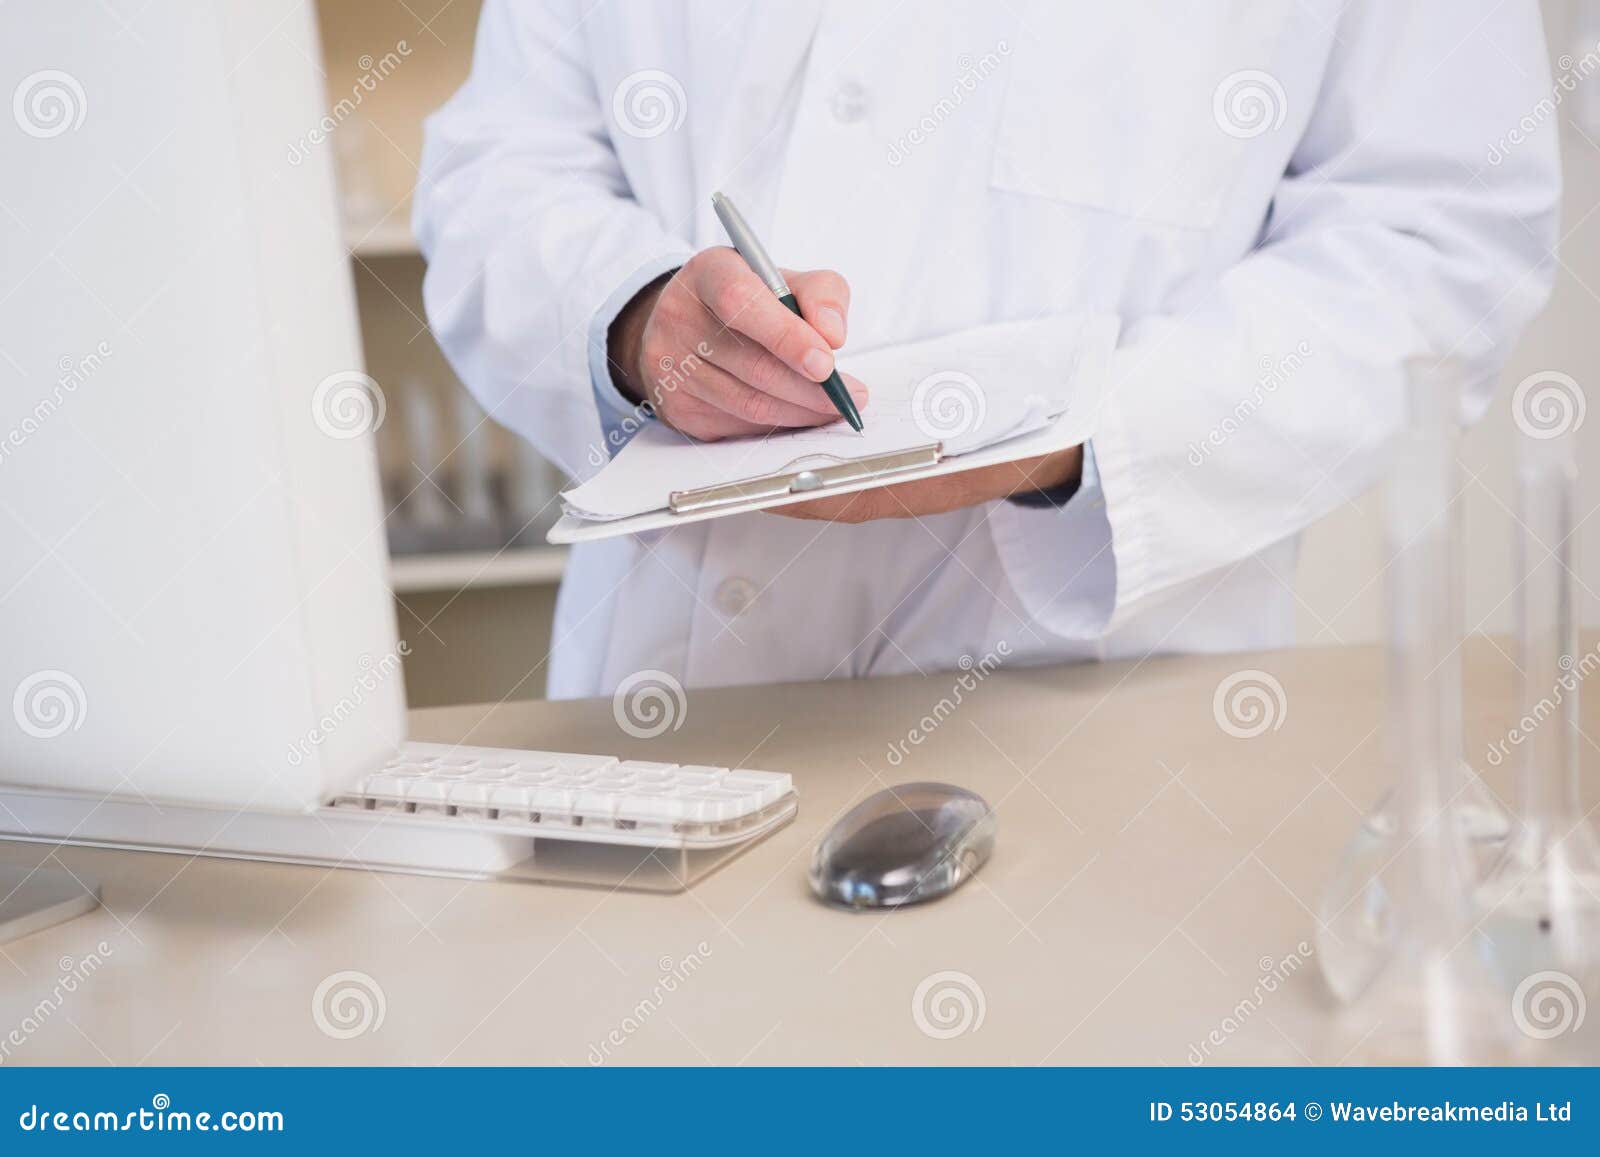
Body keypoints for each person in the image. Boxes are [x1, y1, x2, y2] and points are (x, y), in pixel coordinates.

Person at [414, 2, 1559, 699]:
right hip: (661, 703)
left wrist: (1067, 434)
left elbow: (1437, 239)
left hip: (1094, 715)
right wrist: (634, 315)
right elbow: (499, 172)